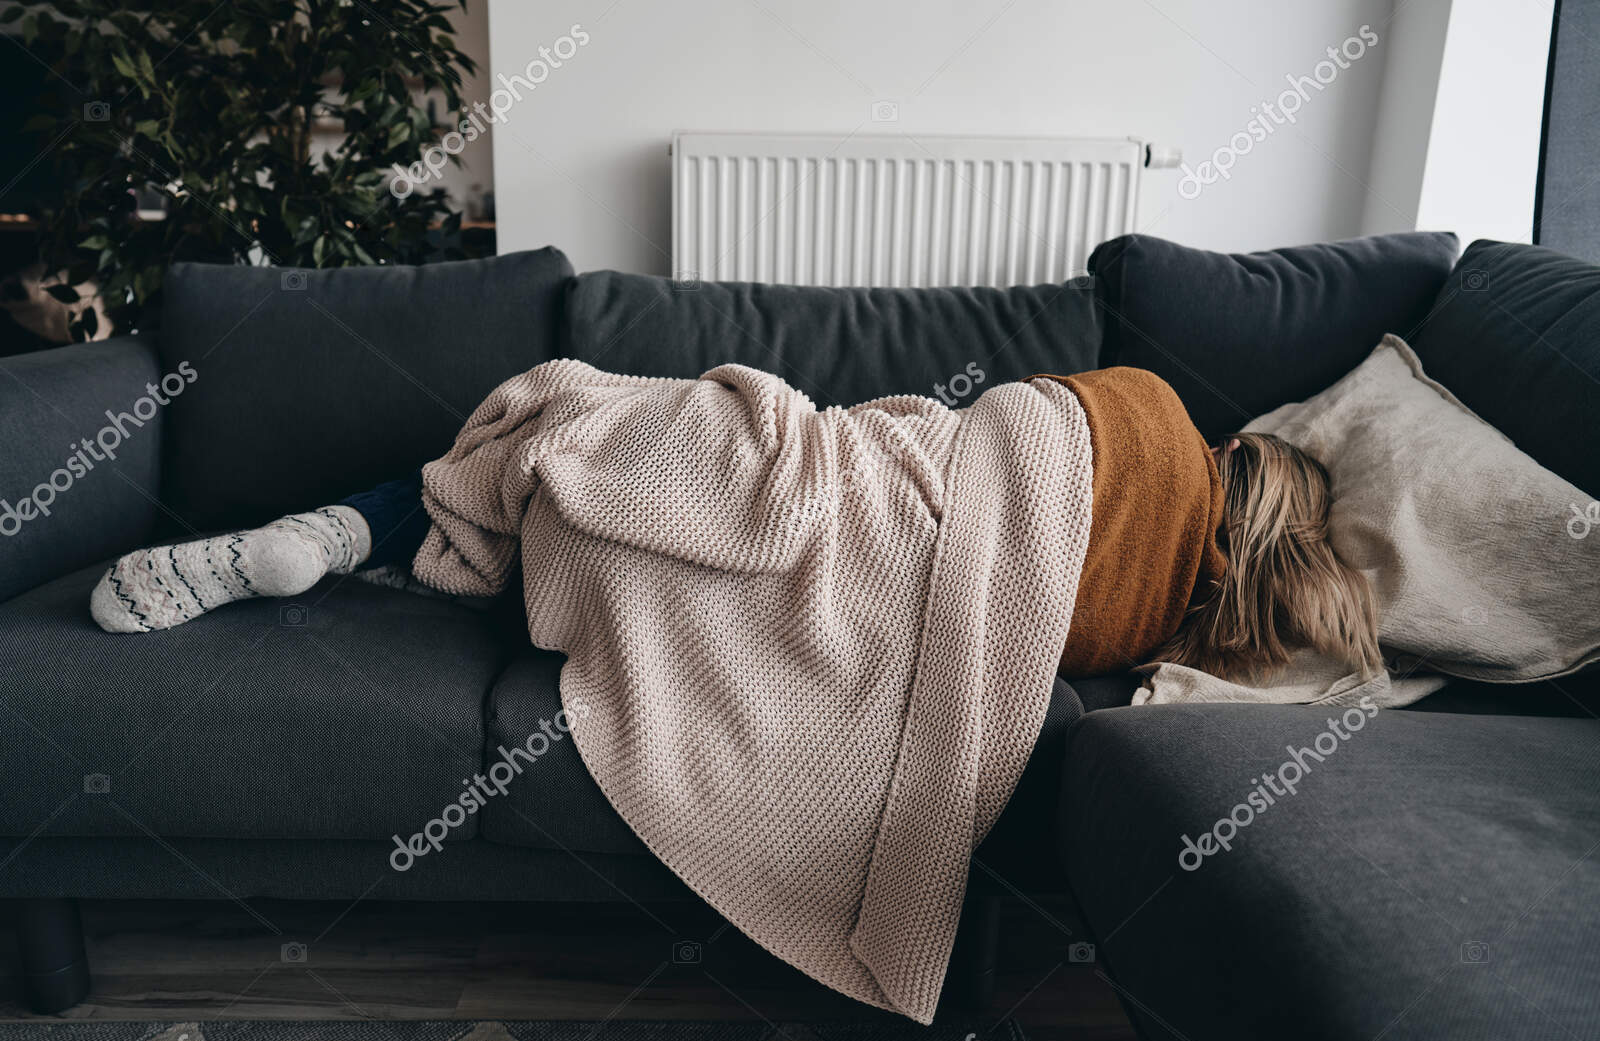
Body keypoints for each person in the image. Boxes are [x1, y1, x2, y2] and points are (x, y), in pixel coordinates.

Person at [88, 367, 1379, 683]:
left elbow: (955, 423)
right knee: (571, 544)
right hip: (758, 582)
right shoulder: (1135, 630)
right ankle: (428, 562)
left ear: (1238, 457)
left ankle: (340, 534)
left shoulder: (1152, 411)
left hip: (770, 462)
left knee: (568, 428)